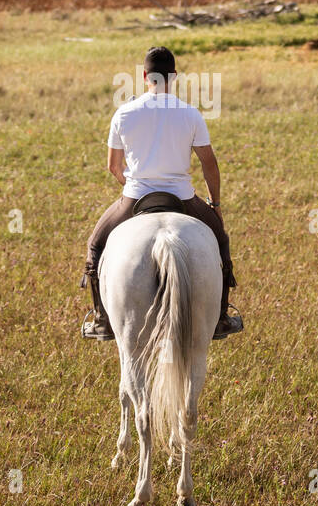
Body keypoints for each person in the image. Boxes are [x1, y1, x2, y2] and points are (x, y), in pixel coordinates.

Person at [81, 46, 241, 341]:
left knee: (95, 246)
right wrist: (215, 205)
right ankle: (220, 317)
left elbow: (113, 166)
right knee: (220, 240)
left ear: (145, 76)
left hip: (135, 196)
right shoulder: (190, 114)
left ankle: (102, 320)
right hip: (182, 197)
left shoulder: (124, 113)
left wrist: (133, 188)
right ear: (175, 76)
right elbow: (210, 165)